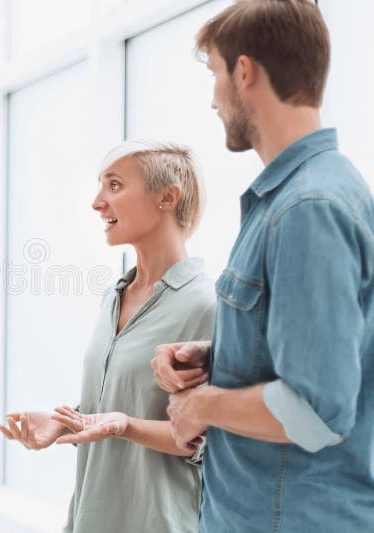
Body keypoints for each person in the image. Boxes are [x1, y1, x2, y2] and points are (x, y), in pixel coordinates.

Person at [151, 1, 374, 531]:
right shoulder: (300, 197)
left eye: (215, 75)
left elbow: (316, 410)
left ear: (244, 71)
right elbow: (326, 355)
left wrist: (202, 404)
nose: (213, 99)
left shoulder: (307, 210)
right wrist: (218, 356)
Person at [0, 141, 215, 532]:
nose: (97, 203)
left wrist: (125, 425)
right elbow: (120, 402)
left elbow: (203, 440)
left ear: (167, 197)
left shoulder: (205, 306)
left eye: (114, 185)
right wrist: (61, 422)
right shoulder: (113, 296)